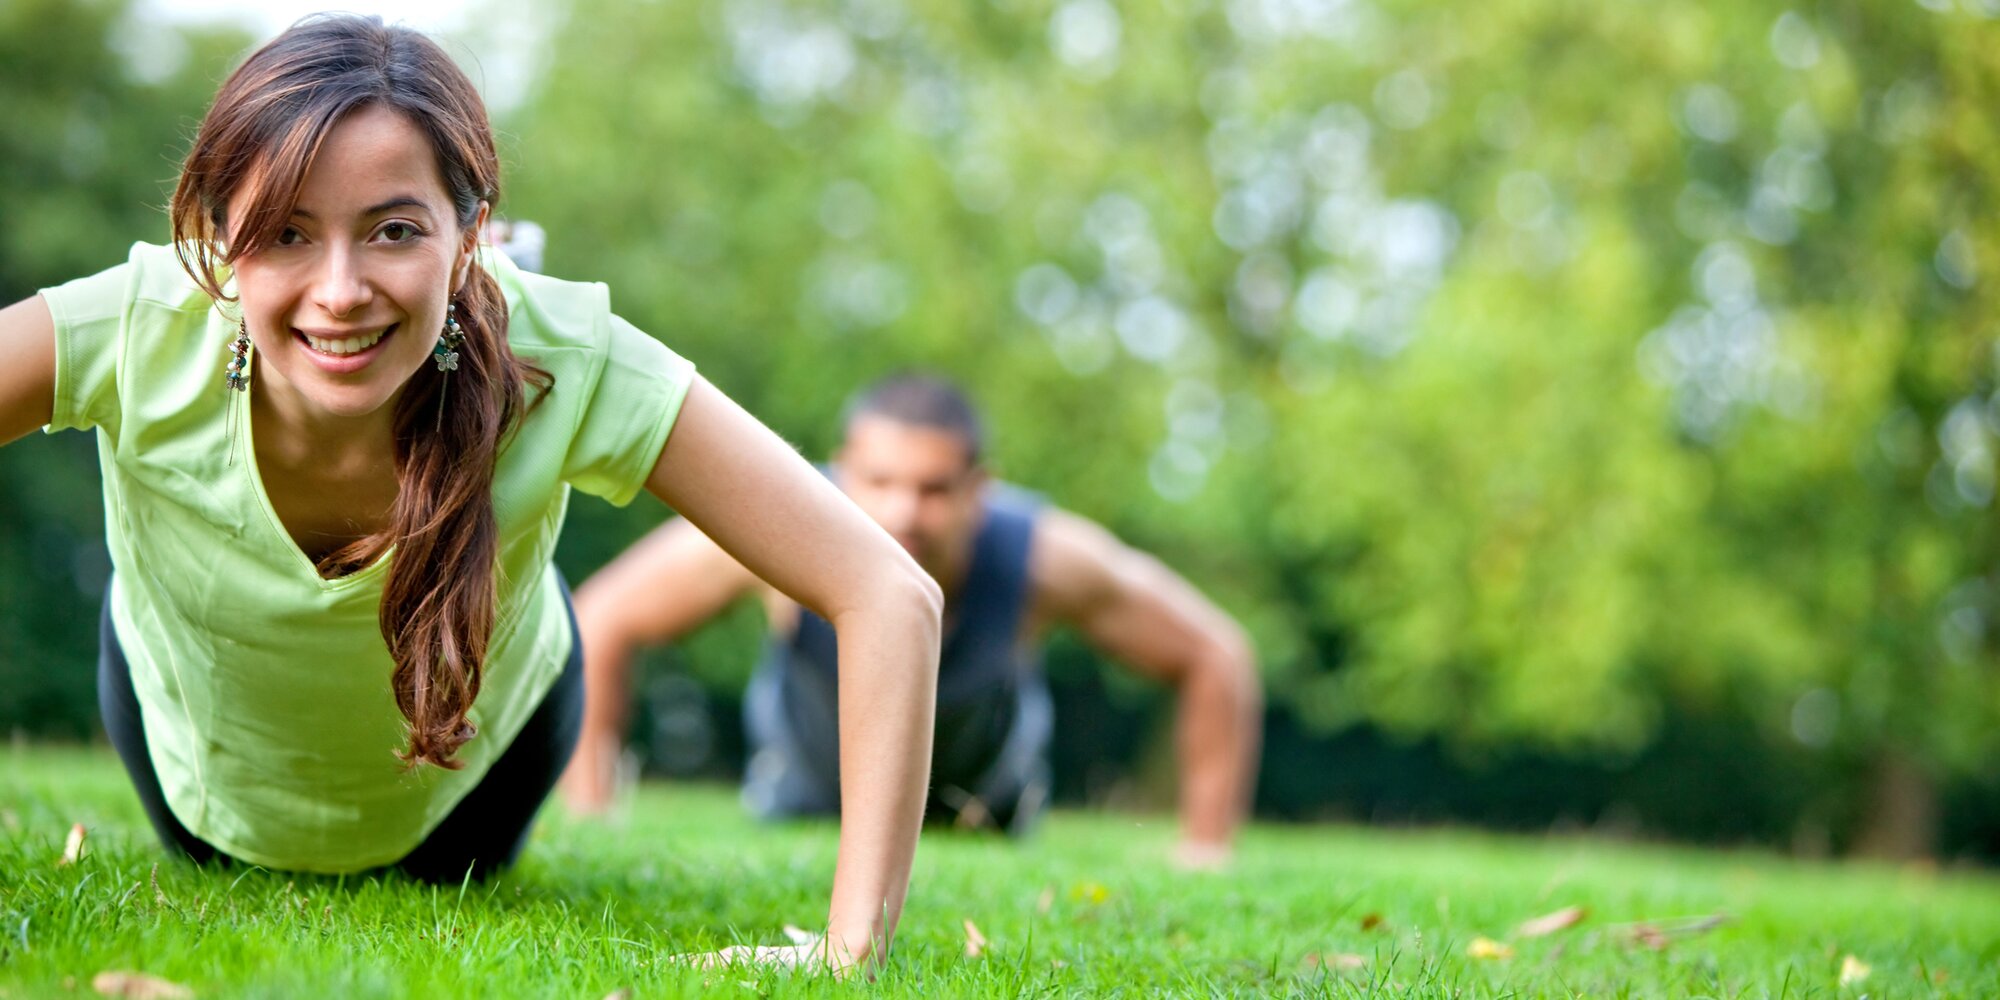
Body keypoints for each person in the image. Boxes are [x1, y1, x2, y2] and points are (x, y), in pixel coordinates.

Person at [0, 15, 940, 972]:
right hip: (197, 787)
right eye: (285, 232)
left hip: (472, 799)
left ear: (468, 235)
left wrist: (850, 950)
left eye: (395, 231)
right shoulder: (133, 327)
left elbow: (888, 594)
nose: (340, 290)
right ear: (218, 237)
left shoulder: (570, 355)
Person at [563, 375, 1263, 866]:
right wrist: (592, 809)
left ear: (979, 490)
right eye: (881, 481)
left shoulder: (1048, 559)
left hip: (983, 824)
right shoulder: (773, 526)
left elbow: (1215, 655)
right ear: (841, 472)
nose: (903, 511)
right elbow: (603, 617)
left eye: (933, 490)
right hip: (800, 810)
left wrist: (1204, 848)